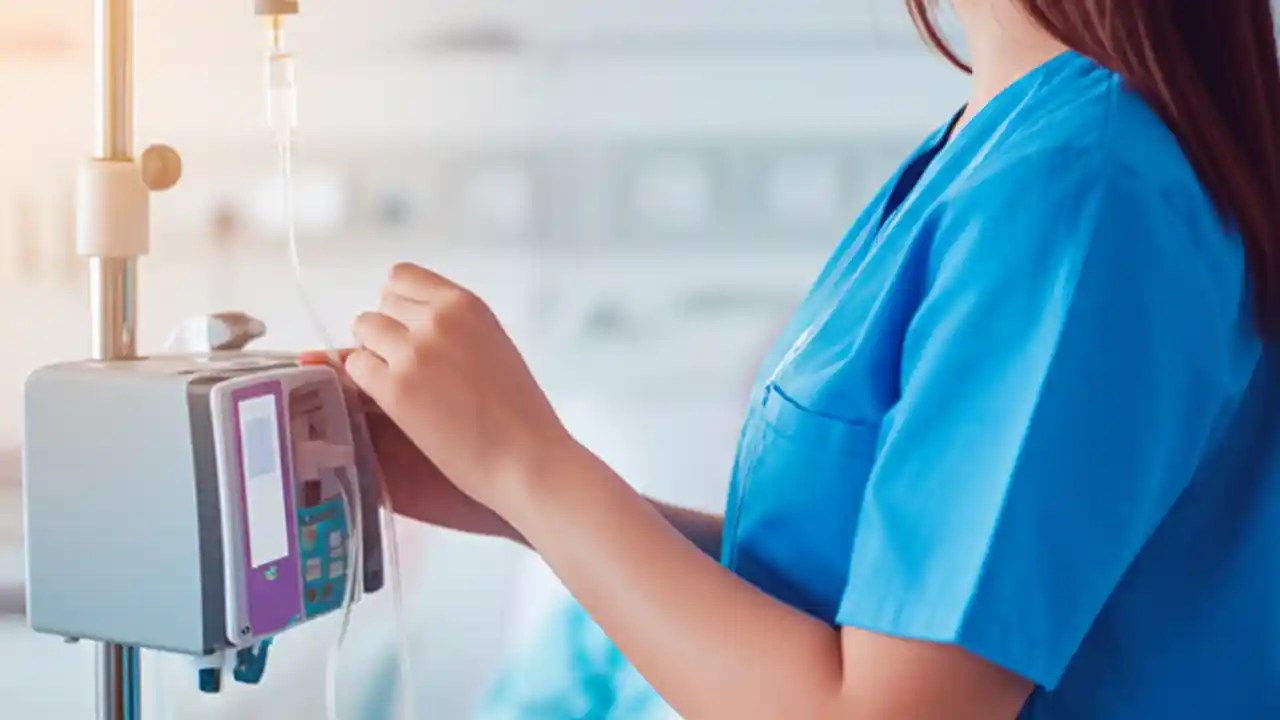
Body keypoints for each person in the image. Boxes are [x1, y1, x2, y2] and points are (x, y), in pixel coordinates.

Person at [308, 1, 1280, 717]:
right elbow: (848, 595)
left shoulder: (1076, 190)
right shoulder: (1000, 150)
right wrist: (498, 486)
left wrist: (534, 467)